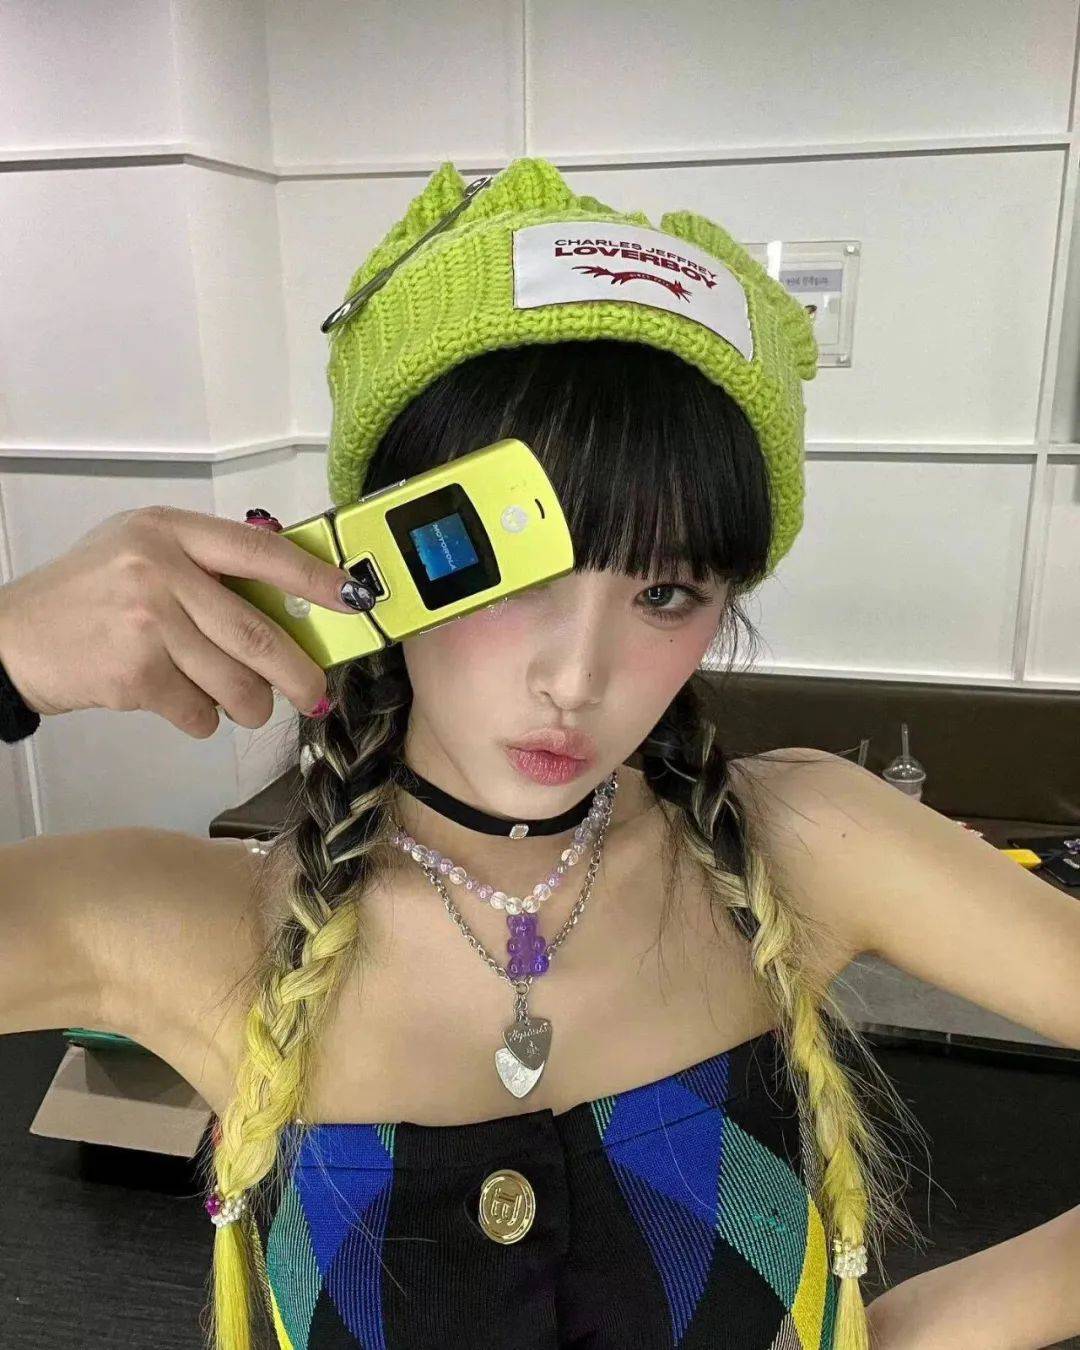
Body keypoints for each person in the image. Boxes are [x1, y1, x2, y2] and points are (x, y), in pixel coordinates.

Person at [4, 158, 1076, 1350]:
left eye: (666, 593)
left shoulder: (810, 846)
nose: (576, 678)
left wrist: (904, 1337)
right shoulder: (173, 924)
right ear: (370, 558)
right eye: (516, 579)